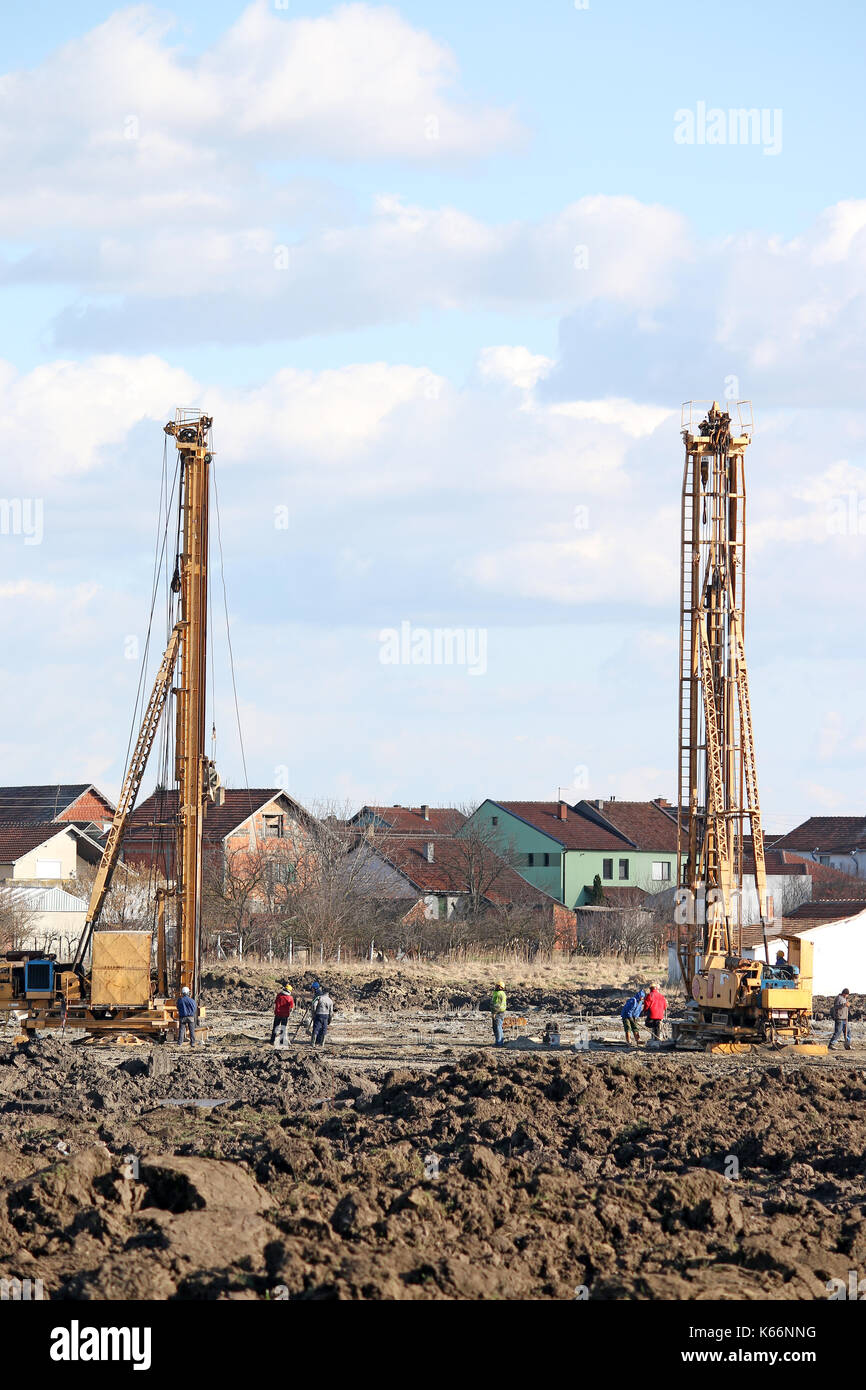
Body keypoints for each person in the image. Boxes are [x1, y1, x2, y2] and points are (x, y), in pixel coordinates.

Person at [490, 980, 507, 1047]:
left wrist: (494, 1013)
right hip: (500, 1012)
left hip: (498, 1012)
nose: (495, 987)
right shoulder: (499, 993)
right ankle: (499, 1042)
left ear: (500, 987)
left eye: (497, 986)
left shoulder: (499, 994)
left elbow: (497, 1005)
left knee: (497, 1027)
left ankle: (499, 1043)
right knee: (497, 1027)